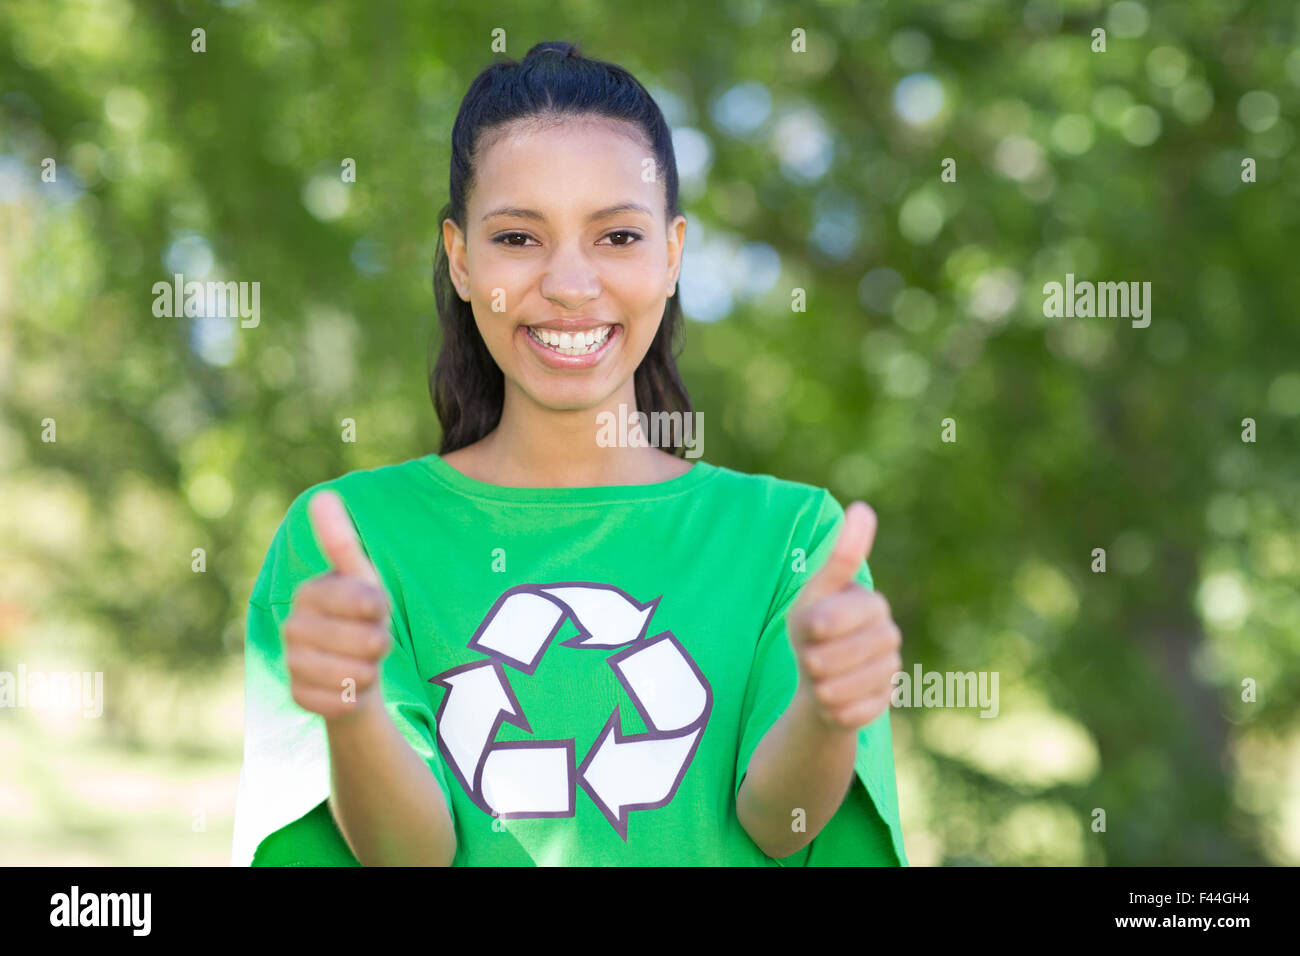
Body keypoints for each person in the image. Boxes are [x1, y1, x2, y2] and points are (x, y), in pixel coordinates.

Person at [231, 40, 907, 867]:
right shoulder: (352, 539)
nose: (571, 283)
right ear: (461, 259)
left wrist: (830, 710)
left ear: (673, 255)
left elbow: (784, 824)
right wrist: (353, 702)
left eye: (617, 235)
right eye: (519, 238)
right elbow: (407, 855)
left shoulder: (792, 538)